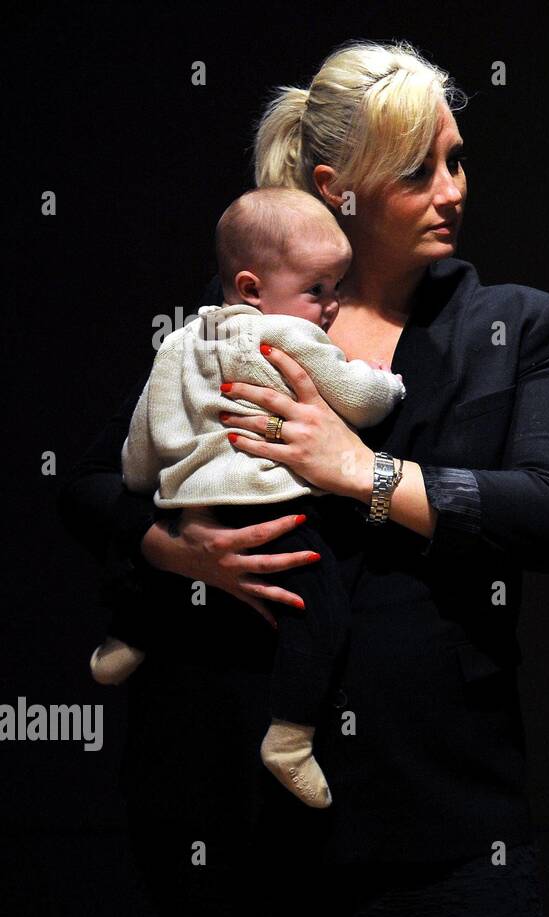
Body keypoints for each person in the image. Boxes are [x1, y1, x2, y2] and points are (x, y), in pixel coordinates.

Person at [58, 39, 549, 917]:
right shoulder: (243, 319)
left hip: (435, 809)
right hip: (220, 799)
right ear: (336, 185)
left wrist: (367, 475)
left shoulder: (514, 326)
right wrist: (179, 548)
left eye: (456, 160)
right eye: (417, 172)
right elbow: (85, 485)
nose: (453, 190)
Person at [94, 187, 407, 813]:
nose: (331, 304)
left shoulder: (182, 342)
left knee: (159, 571)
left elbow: (140, 437)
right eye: (318, 288)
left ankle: (126, 638)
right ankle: (290, 738)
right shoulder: (288, 337)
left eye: (336, 286)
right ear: (253, 286)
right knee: (320, 614)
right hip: (272, 505)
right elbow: (357, 397)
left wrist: (145, 488)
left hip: (190, 504)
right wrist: (388, 383)